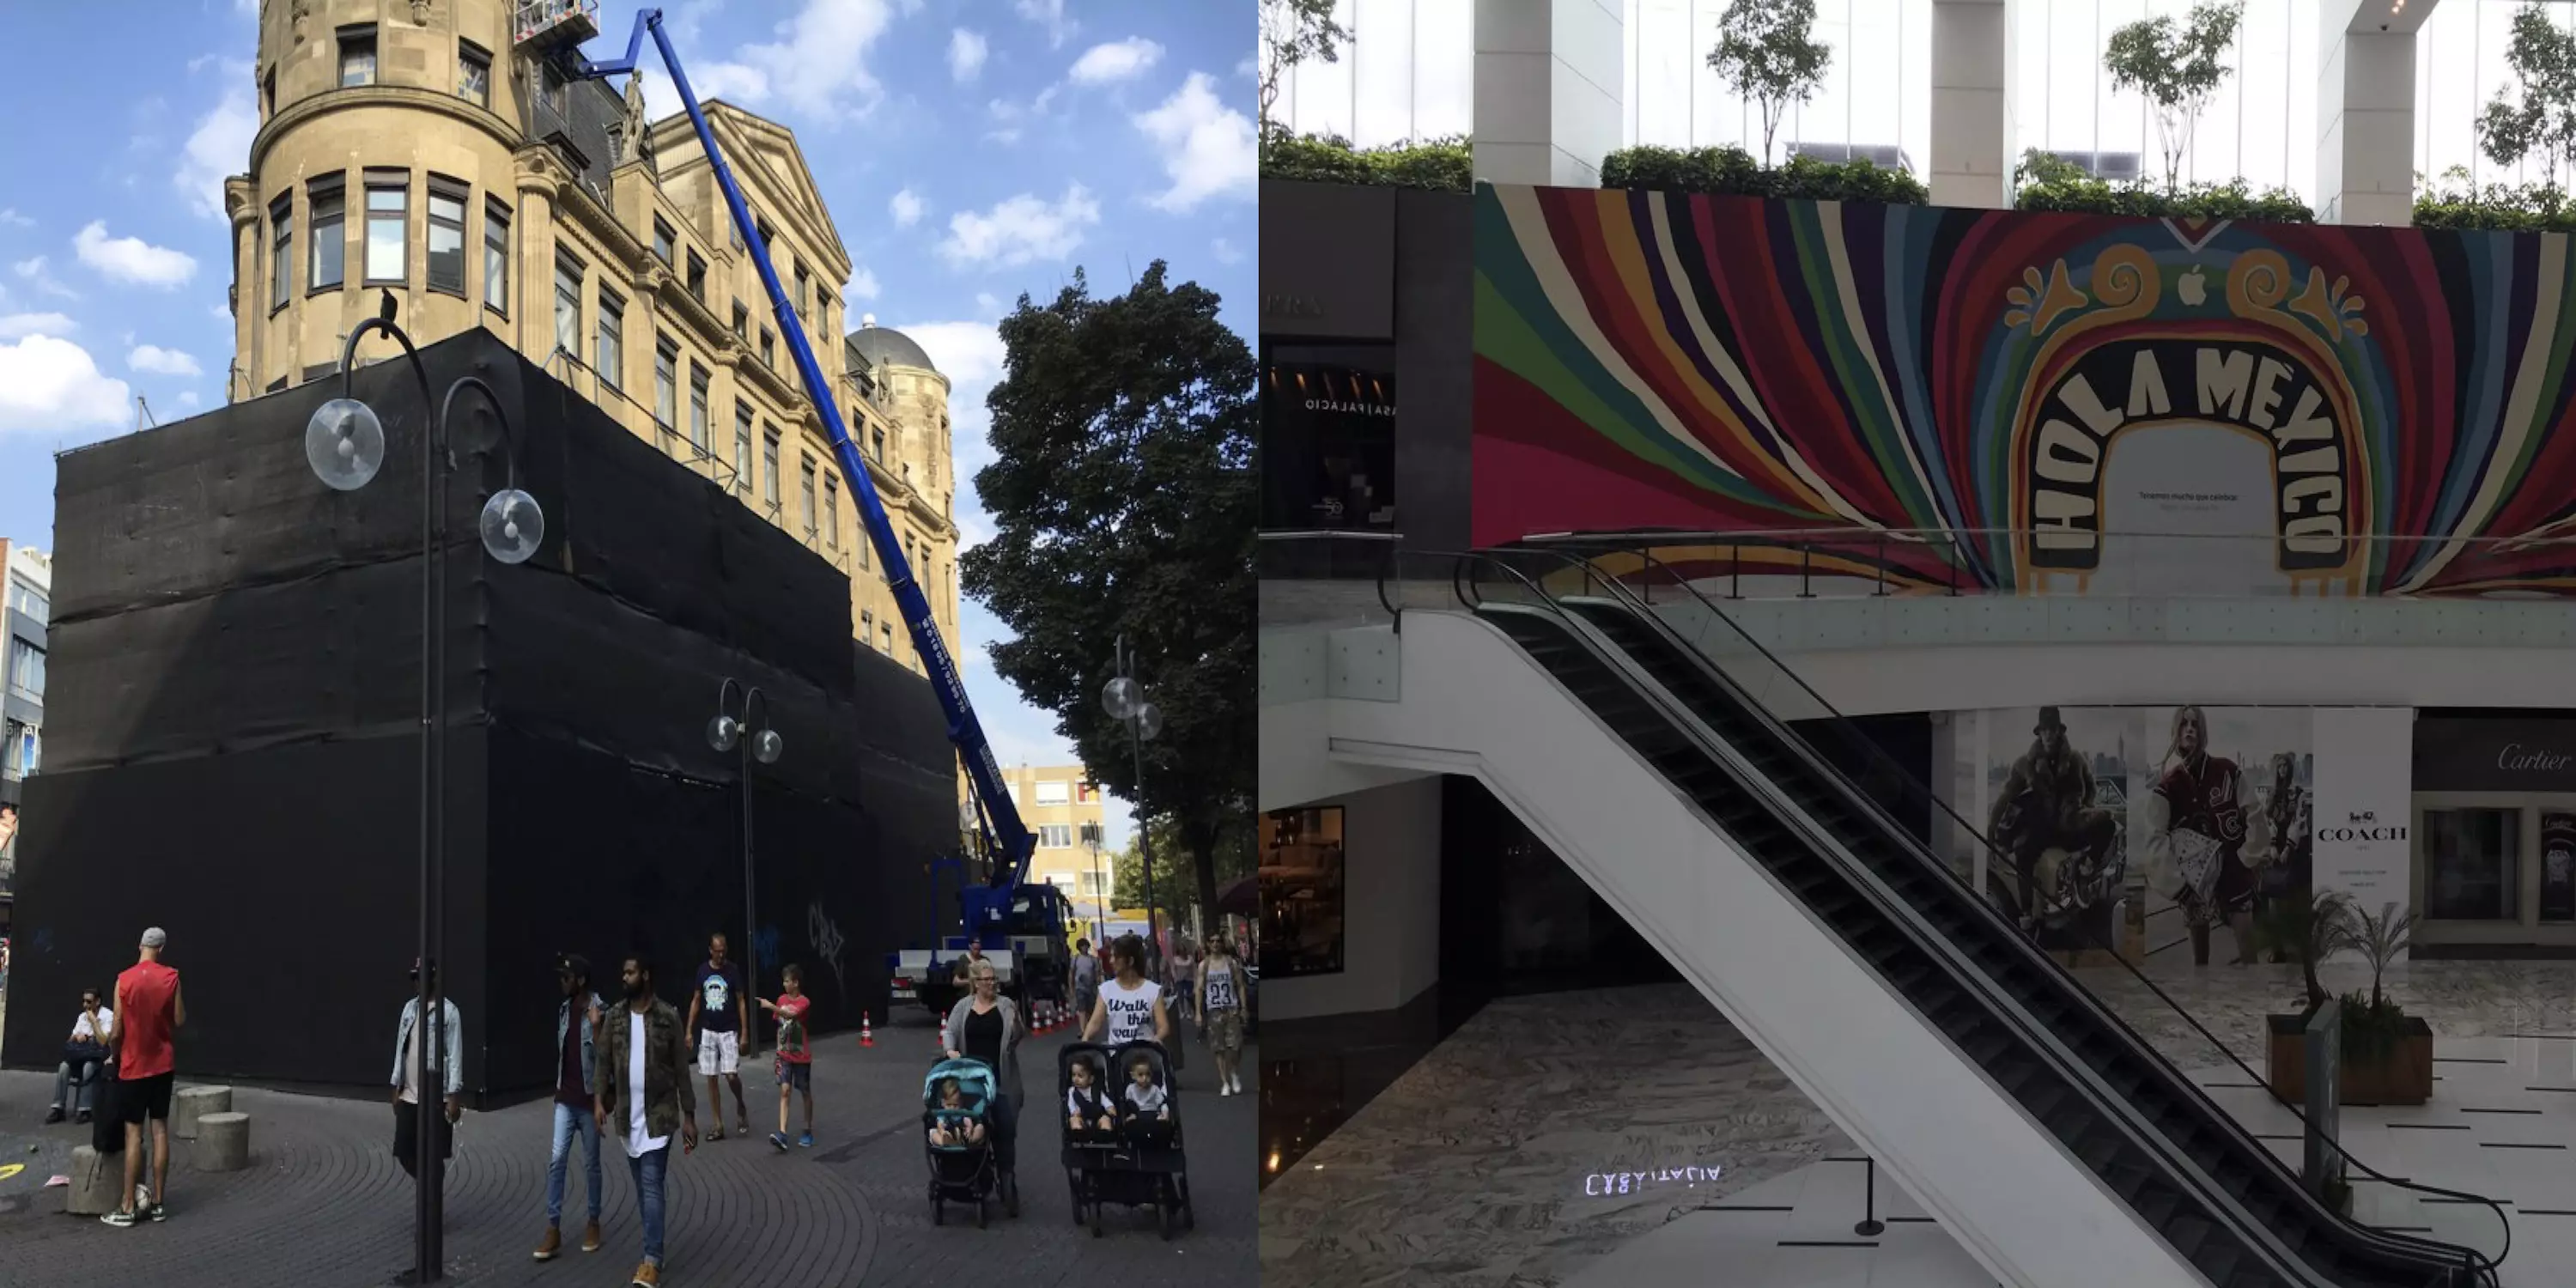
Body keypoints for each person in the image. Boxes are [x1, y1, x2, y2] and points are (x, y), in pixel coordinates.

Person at [594, 951, 697, 1288]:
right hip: (627, 1116)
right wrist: (598, 1102)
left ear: (646, 976)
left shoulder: (668, 1016)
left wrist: (690, 1117)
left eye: (630, 972)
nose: (624, 978)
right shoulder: (615, 1016)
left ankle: (651, 1259)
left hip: (660, 1116)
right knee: (642, 1188)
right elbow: (603, 1063)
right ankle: (655, 1248)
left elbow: (682, 1070)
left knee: (651, 1185)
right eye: (623, 973)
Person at [2146, 705, 2270, 967]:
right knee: (2200, 962)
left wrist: (2245, 859)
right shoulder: (2168, 787)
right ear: (2175, 732)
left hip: (2235, 875)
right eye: (2183, 724)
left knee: (2249, 956)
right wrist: (2181, 890)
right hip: (2194, 885)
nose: (2189, 728)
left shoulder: (2227, 770)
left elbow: (2256, 815)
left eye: (2195, 724)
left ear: (2202, 732)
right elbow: (2154, 842)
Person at [1988, 707, 2121, 931]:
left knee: (2107, 824)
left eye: (2052, 729)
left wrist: (2085, 808)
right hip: (2043, 827)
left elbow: (2090, 786)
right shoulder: (2026, 764)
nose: (2048, 734)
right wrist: (1992, 829)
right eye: (2044, 730)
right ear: (2039, 733)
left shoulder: (2076, 759)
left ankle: (2087, 871)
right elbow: (2006, 796)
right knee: (2023, 853)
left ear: (2059, 731)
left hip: (2070, 823)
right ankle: (2027, 914)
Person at [101, 926, 183, 1227]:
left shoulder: (124, 979)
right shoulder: (172, 976)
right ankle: (159, 1203)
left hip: (133, 1066)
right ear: (161, 949)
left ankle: (126, 1206)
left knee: (132, 1134)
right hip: (163, 1064)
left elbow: (118, 1029)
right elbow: (179, 1019)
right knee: (159, 1130)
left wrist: (115, 1054)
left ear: (140, 946)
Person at [536, 954, 606, 1261]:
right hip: (565, 1099)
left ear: (579, 980)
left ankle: (593, 1222)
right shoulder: (564, 1011)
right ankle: (553, 1228)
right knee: (556, 1159)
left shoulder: (600, 1011)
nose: (561, 982)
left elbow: (607, 1059)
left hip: (590, 1102)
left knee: (592, 1165)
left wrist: (598, 1028)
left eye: (566, 977)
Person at [941, 958, 1025, 1173]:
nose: (992, 984)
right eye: (986, 980)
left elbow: (1017, 1037)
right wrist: (951, 1050)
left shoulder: (1006, 1005)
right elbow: (949, 1031)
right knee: (971, 1124)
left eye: (993, 979)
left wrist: (1015, 1023)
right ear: (976, 983)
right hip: (971, 1080)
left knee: (1005, 1129)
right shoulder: (964, 1006)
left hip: (1000, 1079)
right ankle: (973, 1168)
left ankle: (1007, 1175)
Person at [390, 958, 464, 1185]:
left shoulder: (449, 1012)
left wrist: (453, 1097)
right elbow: (400, 1047)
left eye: (421, 978)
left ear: (433, 978)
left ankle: (432, 1205)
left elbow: (454, 1055)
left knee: (433, 1155)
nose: (417, 984)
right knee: (404, 1153)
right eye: (414, 978)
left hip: (436, 1098)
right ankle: (429, 1190)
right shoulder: (409, 1009)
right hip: (409, 1096)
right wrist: (396, 1085)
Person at [683, 933, 753, 1141]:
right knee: (711, 1078)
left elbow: (741, 1000)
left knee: (731, 1075)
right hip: (708, 1030)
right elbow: (696, 999)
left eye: (724, 951)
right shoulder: (702, 971)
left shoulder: (732, 971)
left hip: (729, 1030)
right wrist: (689, 1030)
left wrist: (744, 1032)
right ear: (710, 950)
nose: (721, 955)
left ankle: (740, 1104)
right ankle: (718, 1124)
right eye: (717, 951)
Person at [758, 963, 815, 1151]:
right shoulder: (781, 999)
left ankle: (807, 1129)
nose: (784, 984)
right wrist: (778, 1050)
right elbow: (779, 1025)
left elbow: (790, 1015)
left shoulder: (804, 1002)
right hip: (785, 1055)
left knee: (805, 1091)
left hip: (801, 1056)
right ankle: (782, 1133)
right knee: (785, 1090)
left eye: (787, 981)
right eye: (783, 981)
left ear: (796, 983)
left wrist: (770, 1006)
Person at [1083, 933, 1172, 1048]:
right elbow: (1095, 1022)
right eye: (1111, 956)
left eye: (1115, 957)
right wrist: (1085, 1040)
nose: (1111, 961)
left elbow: (1163, 1026)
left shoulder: (1153, 990)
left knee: (1142, 1066)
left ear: (1130, 961)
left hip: (1144, 1053)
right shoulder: (1106, 989)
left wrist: (1156, 1039)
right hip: (1116, 1054)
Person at [48, 987, 112, 1124]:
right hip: (80, 1055)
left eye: (89, 1002)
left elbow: (103, 1041)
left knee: (88, 1068)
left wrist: (94, 1022)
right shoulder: (82, 1017)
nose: (85, 1005)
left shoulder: (108, 1016)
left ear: (98, 1002)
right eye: (84, 1002)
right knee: (64, 1067)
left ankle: (85, 1110)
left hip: (97, 1057)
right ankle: (58, 1108)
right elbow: (70, 1041)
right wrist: (77, 1036)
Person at [1198, 934, 1248, 1097]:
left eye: (1218, 941)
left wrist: (1243, 1007)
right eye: (1212, 941)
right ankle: (1224, 1081)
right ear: (1208, 944)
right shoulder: (1204, 965)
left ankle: (1234, 1073)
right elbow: (1199, 989)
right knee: (1218, 1047)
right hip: (1214, 1009)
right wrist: (1198, 1012)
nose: (1215, 944)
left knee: (1235, 1046)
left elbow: (1240, 985)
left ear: (1222, 943)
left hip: (1231, 1007)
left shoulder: (1231, 963)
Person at [1064, 1057, 1117, 1133]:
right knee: (1073, 1120)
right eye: (1073, 1075)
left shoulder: (1096, 1090)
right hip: (1081, 1117)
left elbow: (1104, 1100)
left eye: (1080, 1076)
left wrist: (1110, 1107)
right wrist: (1074, 1112)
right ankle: (1078, 1132)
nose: (1076, 1079)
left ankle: (1105, 1133)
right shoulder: (1072, 1091)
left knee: (1106, 1119)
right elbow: (1071, 1104)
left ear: (1091, 1079)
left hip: (1097, 1117)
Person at [927, 1078, 984, 1146]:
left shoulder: (963, 1111)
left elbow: (968, 1121)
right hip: (949, 1133)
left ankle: (969, 1140)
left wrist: (969, 1129)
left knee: (980, 1127)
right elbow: (940, 1124)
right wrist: (942, 1131)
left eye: (955, 1105)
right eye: (949, 1105)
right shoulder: (943, 1113)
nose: (952, 1108)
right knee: (933, 1133)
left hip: (963, 1134)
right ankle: (947, 1142)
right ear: (943, 1103)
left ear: (961, 1102)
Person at [1121, 1055, 1170, 1124]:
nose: (1145, 1078)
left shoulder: (1155, 1089)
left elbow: (1162, 1103)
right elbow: (1128, 1104)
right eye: (1140, 1075)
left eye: (1148, 1074)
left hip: (1152, 1114)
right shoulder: (1130, 1089)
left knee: (1161, 1121)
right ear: (1133, 1076)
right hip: (1137, 1114)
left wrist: (1165, 1114)